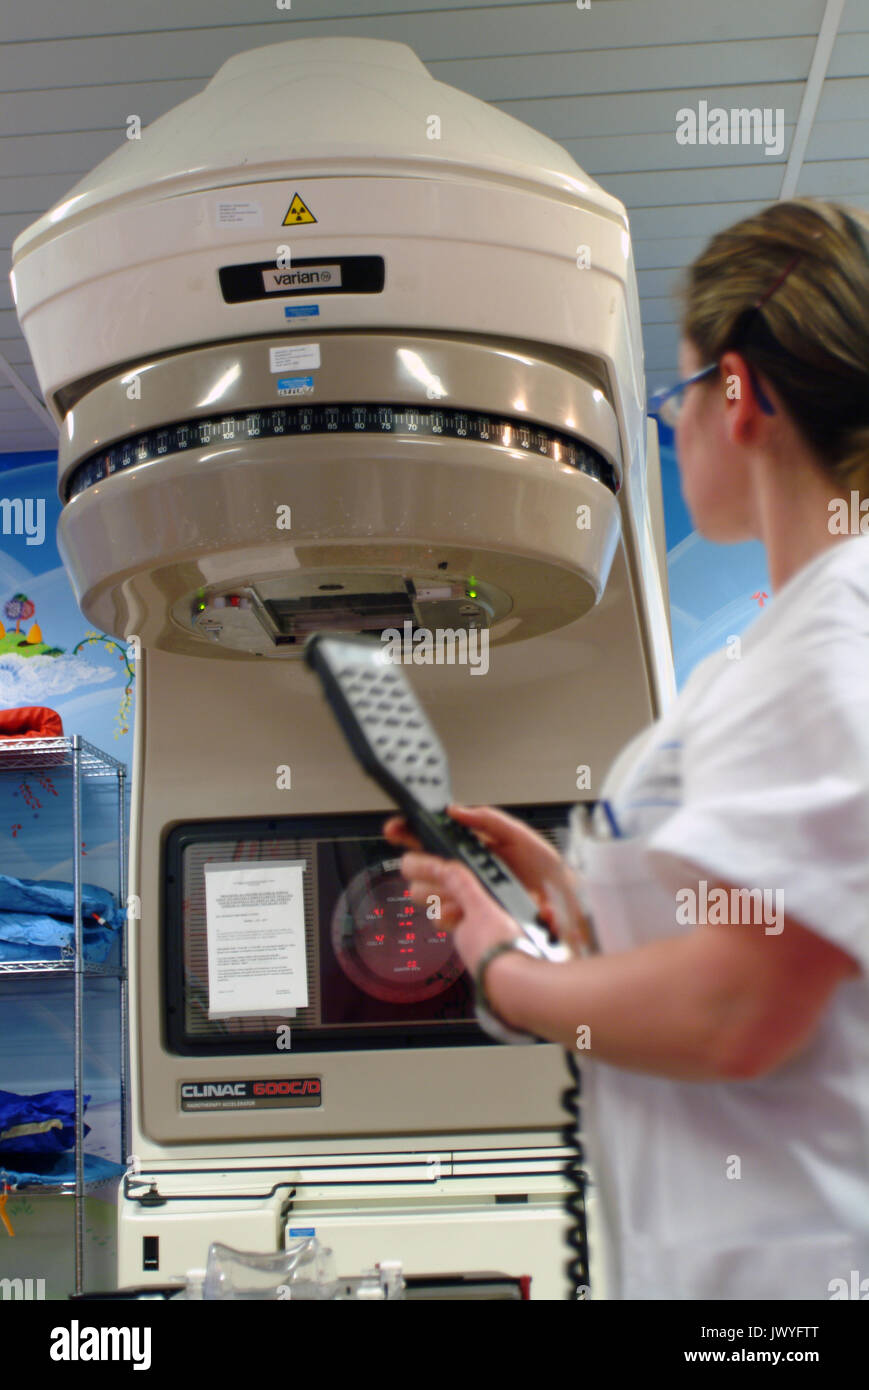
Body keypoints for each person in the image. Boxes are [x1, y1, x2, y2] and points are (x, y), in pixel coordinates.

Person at [384, 196, 869, 1301]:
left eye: (677, 393)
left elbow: (735, 1010)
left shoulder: (831, 633)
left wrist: (505, 973)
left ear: (738, 397)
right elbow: (779, 931)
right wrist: (571, 899)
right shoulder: (784, 645)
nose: (669, 422)